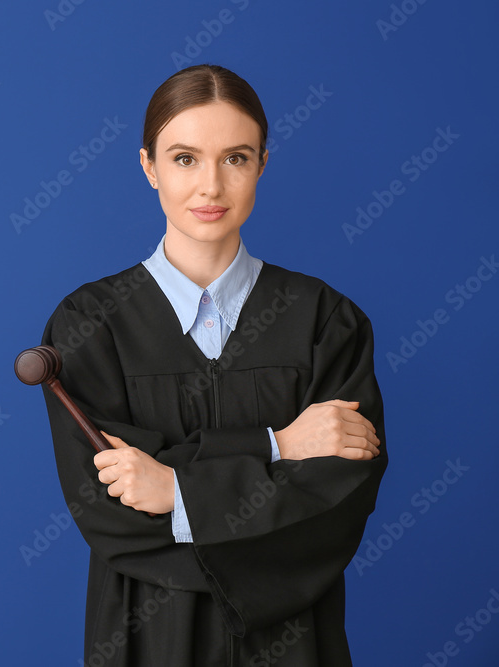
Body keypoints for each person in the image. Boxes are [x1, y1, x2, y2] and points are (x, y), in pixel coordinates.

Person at [39, 63, 387, 666]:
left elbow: (334, 511)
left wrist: (175, 490)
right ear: (148, 166)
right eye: (184, 158)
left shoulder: (325, 321)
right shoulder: (90, 325)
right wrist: (279, 447)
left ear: (262, 165)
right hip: (145, 639)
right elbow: (110, 514)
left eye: (235, 158)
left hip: (295, 644)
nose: (210, 187)